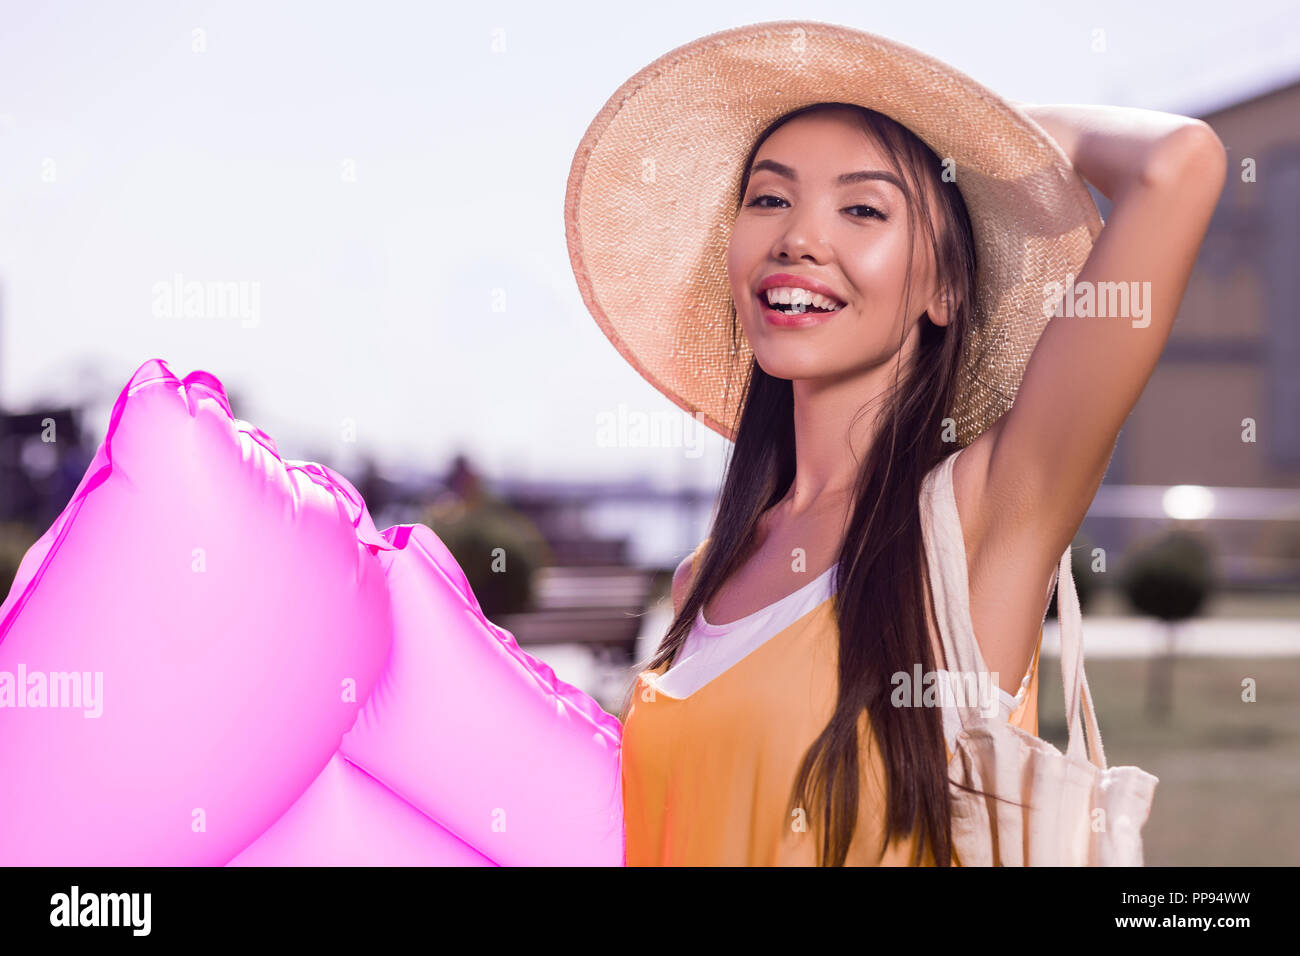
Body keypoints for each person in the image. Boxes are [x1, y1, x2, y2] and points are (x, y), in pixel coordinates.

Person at [565, 22, 1225, 865]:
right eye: (769, 199)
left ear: (945, 285)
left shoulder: (978, 518)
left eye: (864, 208)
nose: (799, 238)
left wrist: (993, 140)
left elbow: (1180, 164)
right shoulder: (704, 574)